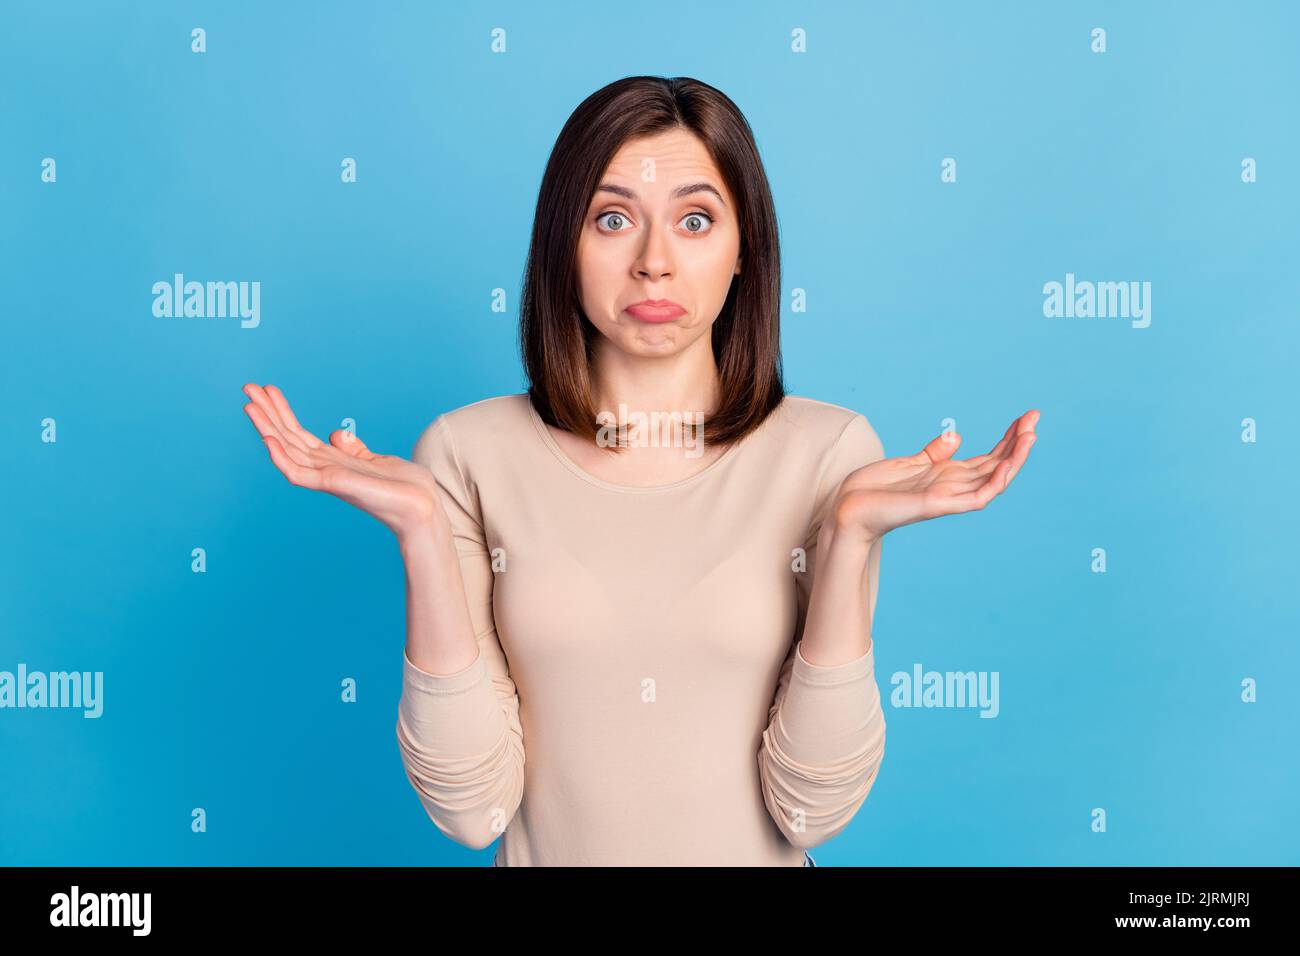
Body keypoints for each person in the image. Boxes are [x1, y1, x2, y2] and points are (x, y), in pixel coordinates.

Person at [241, 76, 1038, 866]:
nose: (654, 263)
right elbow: (471, 811)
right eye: (613, 218)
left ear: (742, 253)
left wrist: (849, 537)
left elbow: (812, 813)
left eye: (695, 220)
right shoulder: (465, 453)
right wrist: (420, 533)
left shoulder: (829, 457)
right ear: (563, 246)